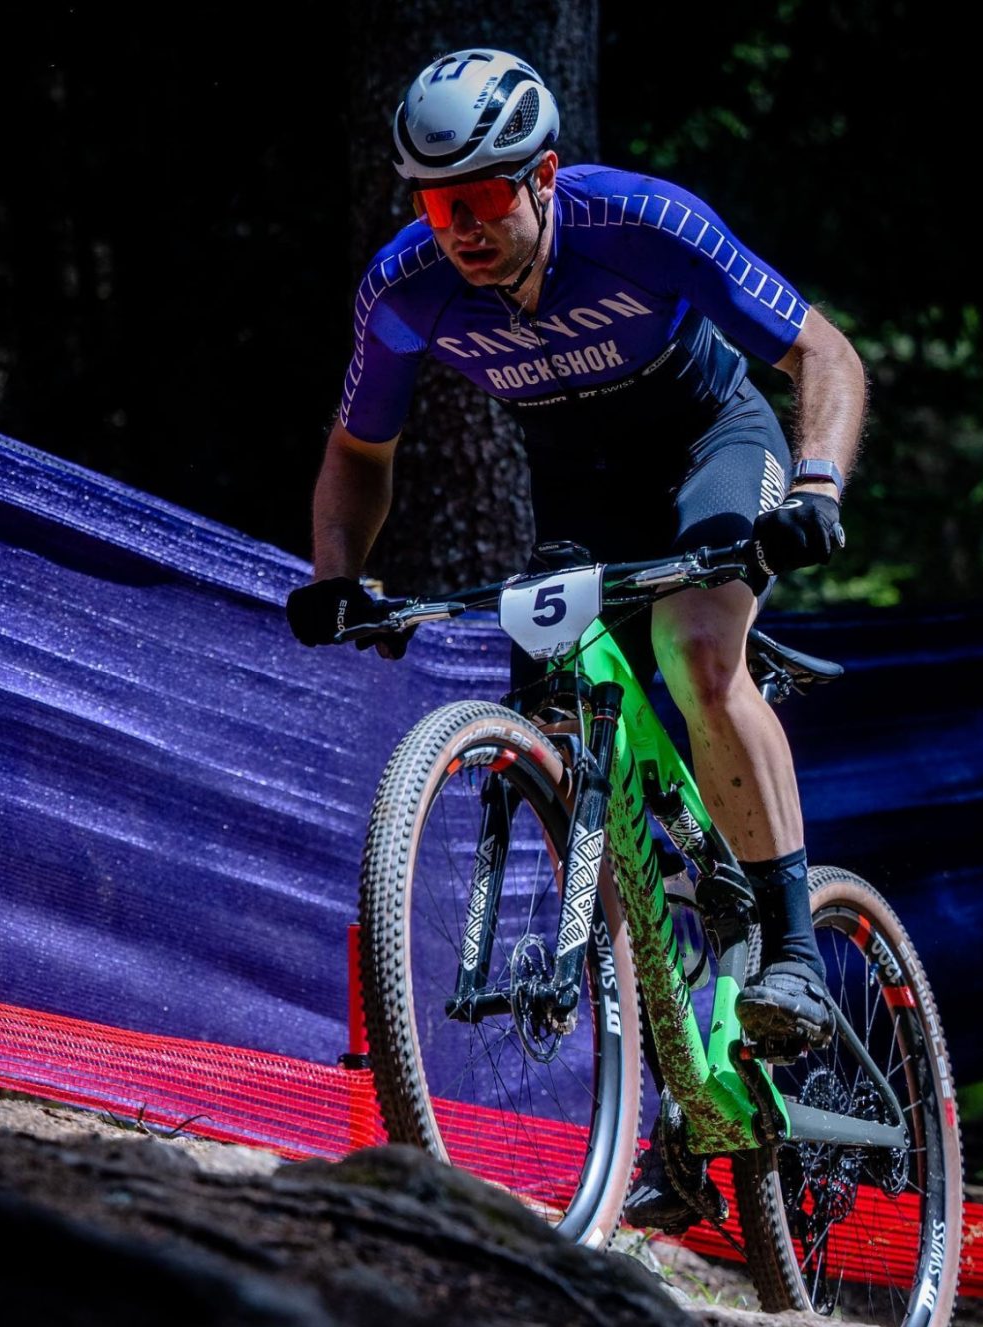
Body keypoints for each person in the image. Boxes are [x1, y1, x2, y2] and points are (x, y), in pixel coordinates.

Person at [286, 46, 867, 1229]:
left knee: (698, 655)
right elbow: (359, 452)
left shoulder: (643, 221)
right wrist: (338, 579)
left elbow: (824, 353)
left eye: (485, 199)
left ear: (543, 176)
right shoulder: (404, 289)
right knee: (559, 749)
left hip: (713, 445)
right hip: (579, 490)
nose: (460, 229)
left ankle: (795, 945)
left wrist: (816, 485)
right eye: (435, 204)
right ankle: (672, 1097)